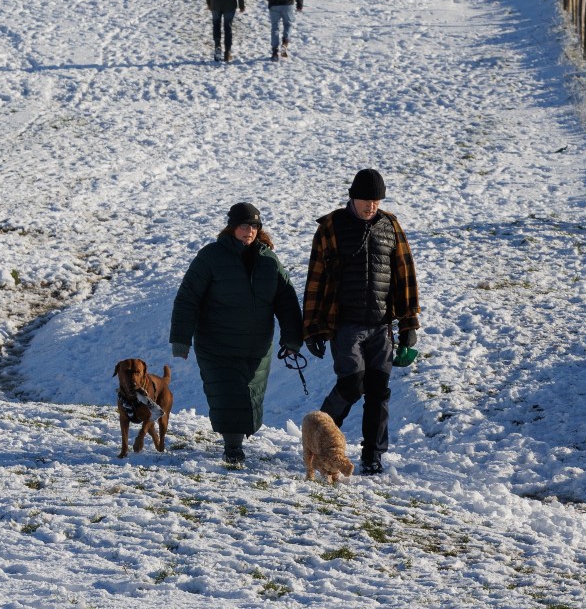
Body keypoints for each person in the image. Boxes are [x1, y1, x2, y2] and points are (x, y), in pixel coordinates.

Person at [301, 169, 421, 475]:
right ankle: (318, 441)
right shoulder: (331, 227)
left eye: (376, 200)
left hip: (381, 325)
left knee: (379, 390)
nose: (371, 206)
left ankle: (373, 455)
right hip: (345, 325)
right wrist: (313, 327)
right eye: (366, 199)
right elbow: (316, 277)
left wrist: (408, 328)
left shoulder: (390, 225)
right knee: (352, 383)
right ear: (352, 197)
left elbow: (405, 277)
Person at [170, 202, 304, 464]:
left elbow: (286, 300)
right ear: (232, 227)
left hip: (257, 346)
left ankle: (238, 439)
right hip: (217, 343)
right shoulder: (211, 257)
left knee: (249, 392)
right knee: (228, 392)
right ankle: (233, 446)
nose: (249, 231)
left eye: (254, 226)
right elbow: (188, 298)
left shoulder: (269, 260)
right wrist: (181, 339)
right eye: (244, 225)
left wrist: (292, 339)